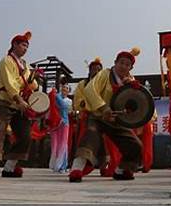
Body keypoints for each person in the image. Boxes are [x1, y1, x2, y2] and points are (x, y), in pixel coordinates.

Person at [69, 48, 143, 183]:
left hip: (117, 120)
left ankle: (121, 171)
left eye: (127, 65)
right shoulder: (104, 74)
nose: (123, 66)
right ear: (115, 62)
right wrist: (104, 108)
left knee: (135, 144)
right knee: (90, 136)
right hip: (98, 116)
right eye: (121, 63)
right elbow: (90, 89)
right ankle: (76, 169)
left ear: (131, 68)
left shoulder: (131, 81)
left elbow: (136, 104)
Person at [0, 31, 38, 179]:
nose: (25, 48)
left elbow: (32, 85)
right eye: (23, 45)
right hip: (5, 101)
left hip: (19, 104)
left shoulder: (25, 65)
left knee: (25, 134)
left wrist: (32, 81)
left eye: (27, 46)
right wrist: (19, 99)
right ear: (14, 45)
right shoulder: (6, 61)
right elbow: (10, 84)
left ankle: (10, 167)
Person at [49, 84, 72, 173]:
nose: (64, 89)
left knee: (63, 144)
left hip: (64, 123)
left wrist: (56, 95)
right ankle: (55, 165)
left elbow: (63, 106)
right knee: (55, 144)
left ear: (68, 91)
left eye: (66, 88)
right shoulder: (56, 98)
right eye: (63, 88)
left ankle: (63, 166)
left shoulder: (68, 101)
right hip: (55, 124)